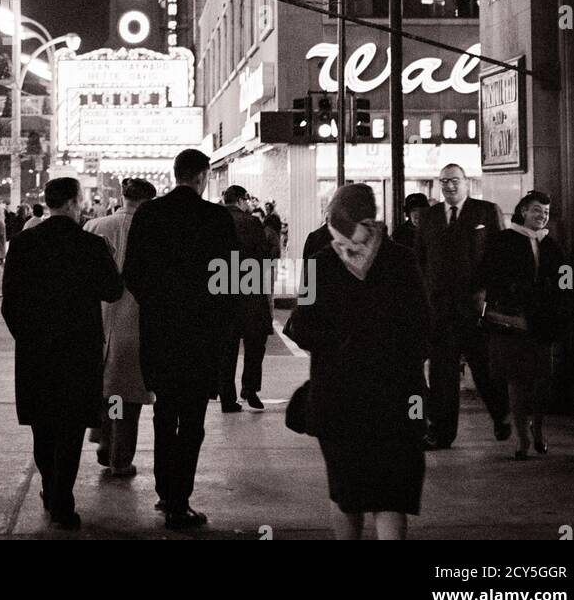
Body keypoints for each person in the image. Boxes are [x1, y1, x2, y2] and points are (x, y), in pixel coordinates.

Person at [286, 183, 431, 540]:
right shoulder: (402, 258)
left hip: (338, 397)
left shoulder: (320, 263)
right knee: (391, 496)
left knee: (346, 493)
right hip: (398, 397)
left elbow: (303, 330)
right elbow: (425, 327)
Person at [123, 148, 239, 530]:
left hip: (159, 334)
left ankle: (164, 491)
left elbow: (132, 274)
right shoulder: (216, 218)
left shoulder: (149, 214)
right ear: (203, 176)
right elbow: (230, 280)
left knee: (163, 413)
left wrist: (157, 305)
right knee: (192, 421)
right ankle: (180, 501)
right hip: (201, 337)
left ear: (175, 175)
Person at [2, 178, 121, 530]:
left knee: (43, 427)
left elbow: (10, 305)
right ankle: (62, 500)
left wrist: (28, 338)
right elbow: (113, 292)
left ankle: (49, 487)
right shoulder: (91, 245)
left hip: (36, 352)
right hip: (79, 352)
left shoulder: (22, 244)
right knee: (70, 429)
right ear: (72, 202)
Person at [413, 163, 510, 448]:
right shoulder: (429, 217)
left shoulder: (485, 212)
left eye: (454, 180)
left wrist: (488, 296)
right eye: (444, 181)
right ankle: (442, 433)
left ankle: (501, 414)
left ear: (466, 182)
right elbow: (420, 259)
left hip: (474, 306)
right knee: (442, 373)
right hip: (440, 308)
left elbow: (498, 258)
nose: (449, 186)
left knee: (483, 367)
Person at [475, 191, 565, 460]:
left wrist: (563, 295)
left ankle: (537, 430)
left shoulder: (550, 244)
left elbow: (565, 274)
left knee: (541, 381)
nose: (542, 216)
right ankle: (523, 438)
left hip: (543, 323)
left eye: (546, 212)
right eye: (537, 210)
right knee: (517, 381)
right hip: (513, 322)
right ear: (523, 211)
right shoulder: (504, 241)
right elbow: (489, 275)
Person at [85, 177, 157, 476]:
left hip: (100, 318)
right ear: (147, 202)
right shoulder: (153, 231)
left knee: (108, 389)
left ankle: (105, 441)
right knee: (127, 396)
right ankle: (119, 457)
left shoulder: (94, 227)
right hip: (136, 321)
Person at [217, 186, 277, 412]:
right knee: (255, 341)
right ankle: (250, 389)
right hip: (249, 289)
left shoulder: (214, 221)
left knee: (227, 348)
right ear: (241, 200)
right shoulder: (251, 223)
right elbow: (263, 256)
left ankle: (227, 397)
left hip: (222, 289)